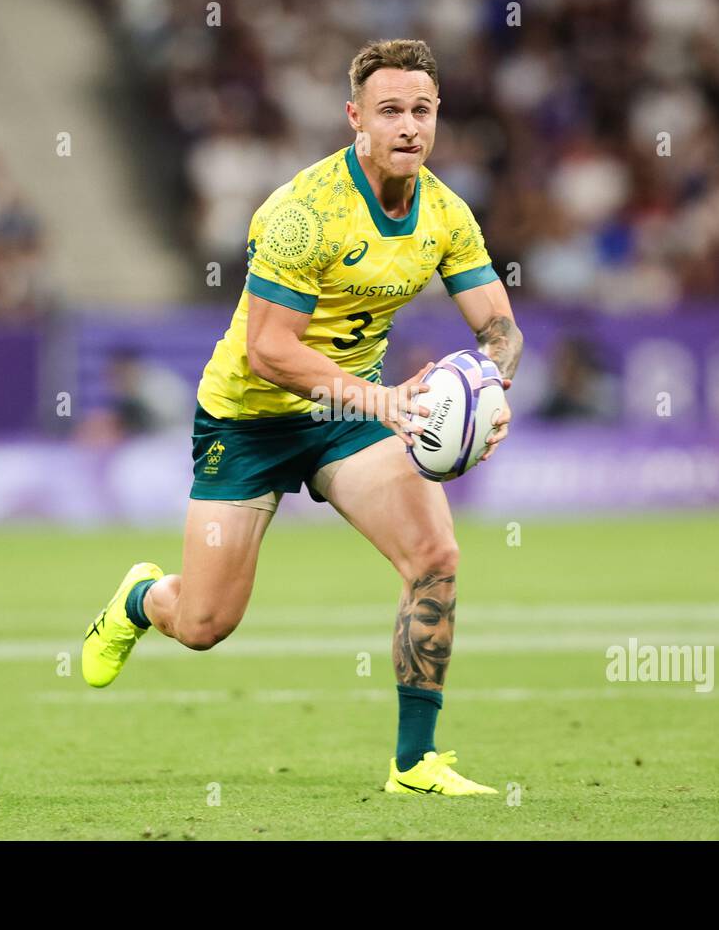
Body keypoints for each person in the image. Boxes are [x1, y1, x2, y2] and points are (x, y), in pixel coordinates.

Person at [81, 39, 523, 796]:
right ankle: (139, 600)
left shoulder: (446, 215)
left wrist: (490, 391)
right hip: (248, 421)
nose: (408, 126)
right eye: (390, 111)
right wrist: (382, 399)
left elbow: (500, 331)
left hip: (347, 421)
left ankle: (415, 764)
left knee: (435, 558)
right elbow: (268, 352)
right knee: (204, 626)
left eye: (422, 110)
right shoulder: (302, 216)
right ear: (356, 117)